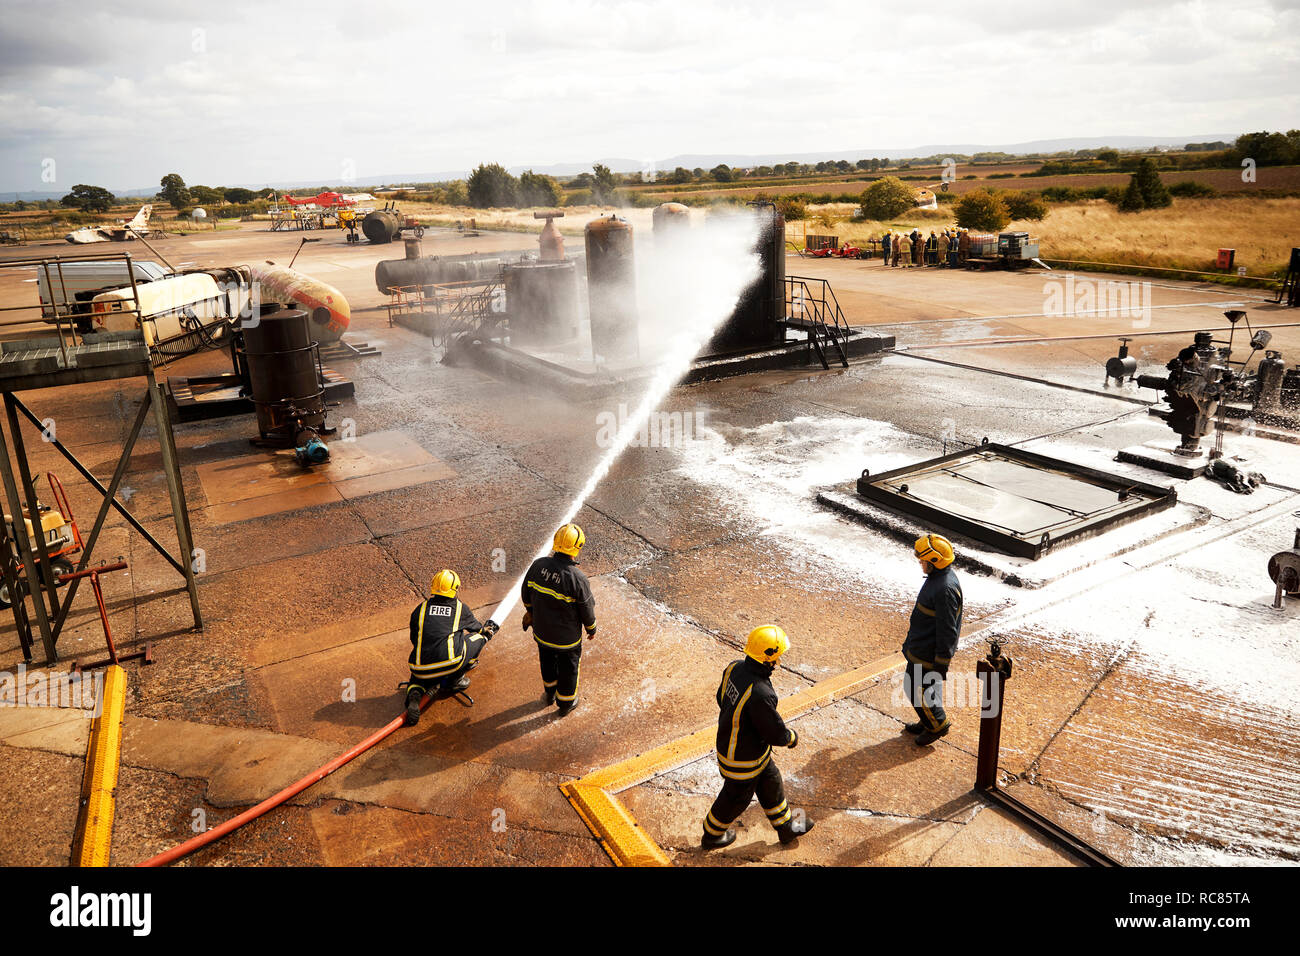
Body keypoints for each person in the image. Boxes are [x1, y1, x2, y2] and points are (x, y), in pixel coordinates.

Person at [701, 625, 814, 849]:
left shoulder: (734, 668)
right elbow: (774, 732)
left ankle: (785, 827)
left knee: (771, 782)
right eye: (778, 655)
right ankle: (712, 834)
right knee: (736, 798)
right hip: (742, 759)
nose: (779, 660)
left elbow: (721, 698)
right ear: (768, 657)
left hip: (747, 750)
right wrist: (791, 737)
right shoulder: (761, 693)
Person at [405, 570, 499, 725]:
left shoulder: (419, 610)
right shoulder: (460, 608)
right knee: (477, 638)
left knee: (417, 676)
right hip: (450, 663)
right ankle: (454, 681)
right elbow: (477, 628)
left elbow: (414, 639)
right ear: (455, 589)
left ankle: (415, 693)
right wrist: (486, 632)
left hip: (418, 667)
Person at [521, 523, 597, 715]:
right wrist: (591, 628)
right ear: (577, 548)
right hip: (567, 641)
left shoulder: (538, 566)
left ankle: (549, 692)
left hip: (542, 633)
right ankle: (566, 703)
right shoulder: (577, 578)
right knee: (569, 669)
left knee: (546, 661)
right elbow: (586, 609)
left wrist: (530, 611)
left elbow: (525, 592)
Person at [901, 534, 963, 746]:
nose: (920, 564)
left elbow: (948, 630)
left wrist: (941, 663)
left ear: (935, 562)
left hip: (928, 654)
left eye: (923, 561)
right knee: (924, 689)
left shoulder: (944, 589)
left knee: (916, 689)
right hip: (920, 647)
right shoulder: (939, 580)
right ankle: (927, 719)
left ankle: (937, 725)